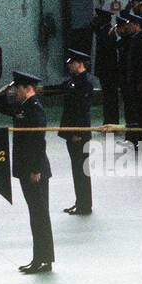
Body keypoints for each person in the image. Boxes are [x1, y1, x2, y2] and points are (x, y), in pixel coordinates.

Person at [0, 71, 55, 274]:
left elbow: (39, 141)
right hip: (26, 169)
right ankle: (39, 258)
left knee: (40, 215)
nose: (14, 93)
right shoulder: (23, 108)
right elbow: (4, 107)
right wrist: (1, 93)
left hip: (34, 171)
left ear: (26, 88)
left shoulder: (35, 110)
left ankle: (44, 260)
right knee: (35, 215)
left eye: (16, 89)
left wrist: (36, 169)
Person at [59, 49, 96, 215]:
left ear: (79, 64)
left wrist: (78, 133)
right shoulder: (73, 81)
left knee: (81, 170)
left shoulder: (85, 83)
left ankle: (85, 205)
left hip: (79, 134)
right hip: (71, 132)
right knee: (77, 169)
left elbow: (83, 110)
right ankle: (80, 201)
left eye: (71, 63)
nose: (69, 66)